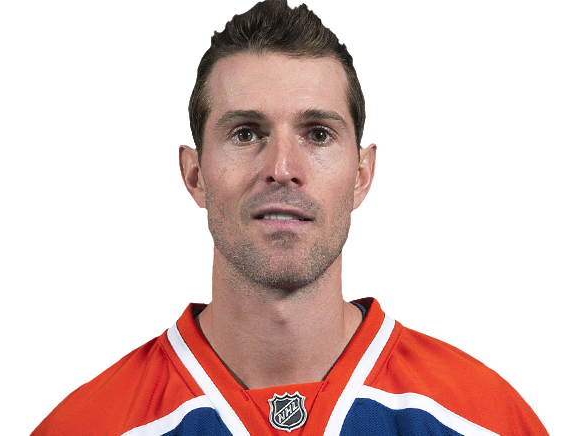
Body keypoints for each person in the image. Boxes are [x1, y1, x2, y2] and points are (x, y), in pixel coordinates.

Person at [31, 0, 548, 434]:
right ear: (194, 175)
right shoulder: (84, 426)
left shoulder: (487, 419)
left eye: (318, 134)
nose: (281, 169)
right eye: (245, 133)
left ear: (362, 175)